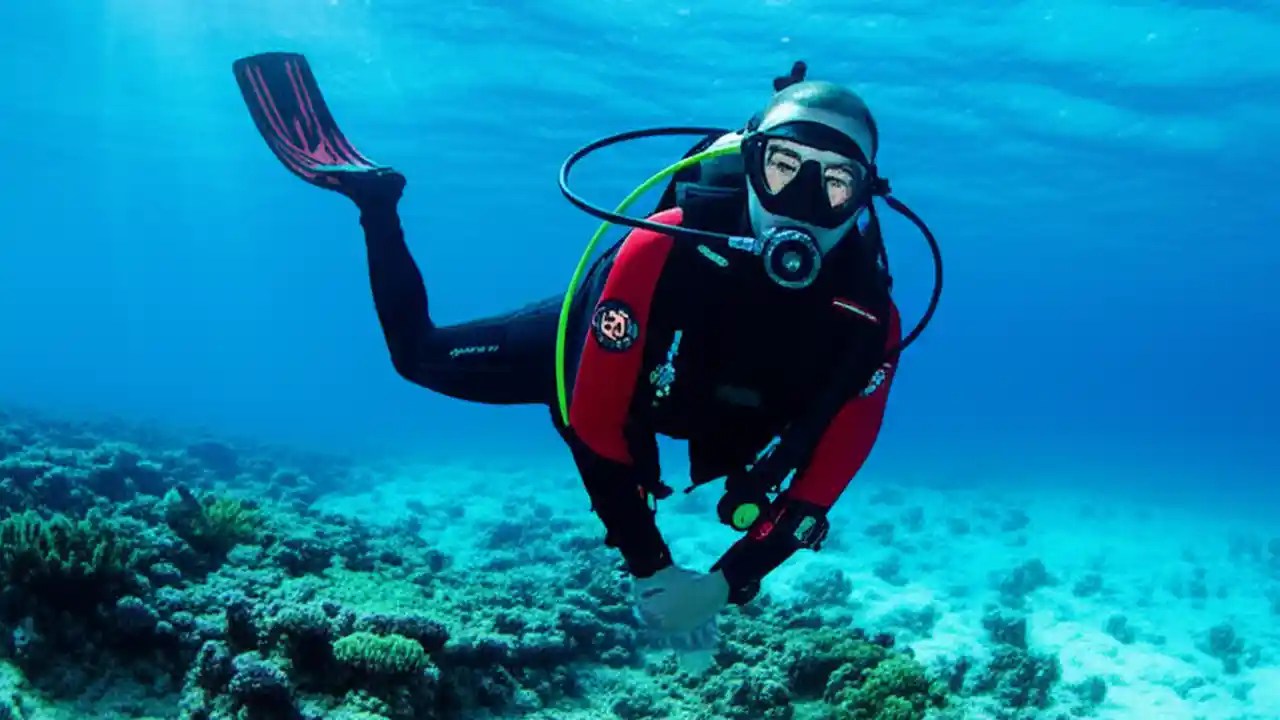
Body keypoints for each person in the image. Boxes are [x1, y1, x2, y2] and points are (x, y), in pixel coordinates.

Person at [232, 54, 941, 638]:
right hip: (608, 358)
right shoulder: (657, 247)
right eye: (784, 167)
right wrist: (653, 568)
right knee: (417, 357)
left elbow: (819, 490)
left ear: (865, 199)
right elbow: (593, 421)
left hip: (711, 400)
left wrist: (726, 585)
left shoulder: (866, 324)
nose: (803, 205)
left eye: (836, 182)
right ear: (751, 164)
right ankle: (376, 203)